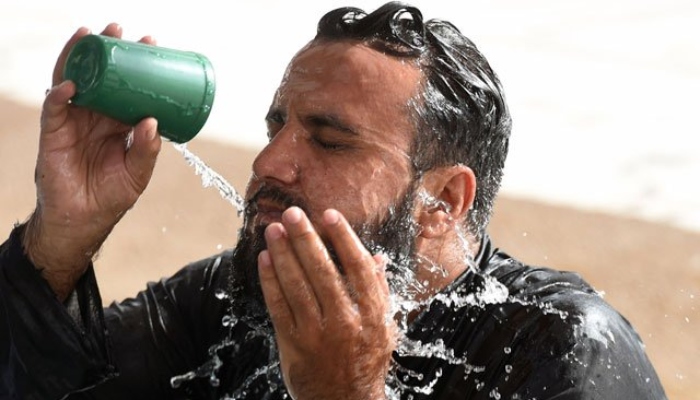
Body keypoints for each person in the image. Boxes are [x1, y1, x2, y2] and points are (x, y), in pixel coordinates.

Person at [0, 2, 667, 399]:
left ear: (442, 200)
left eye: (328, 140)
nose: (267, 162)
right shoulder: (232, 304)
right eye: (276, 126)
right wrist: (58, 241)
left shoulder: (559, 348)